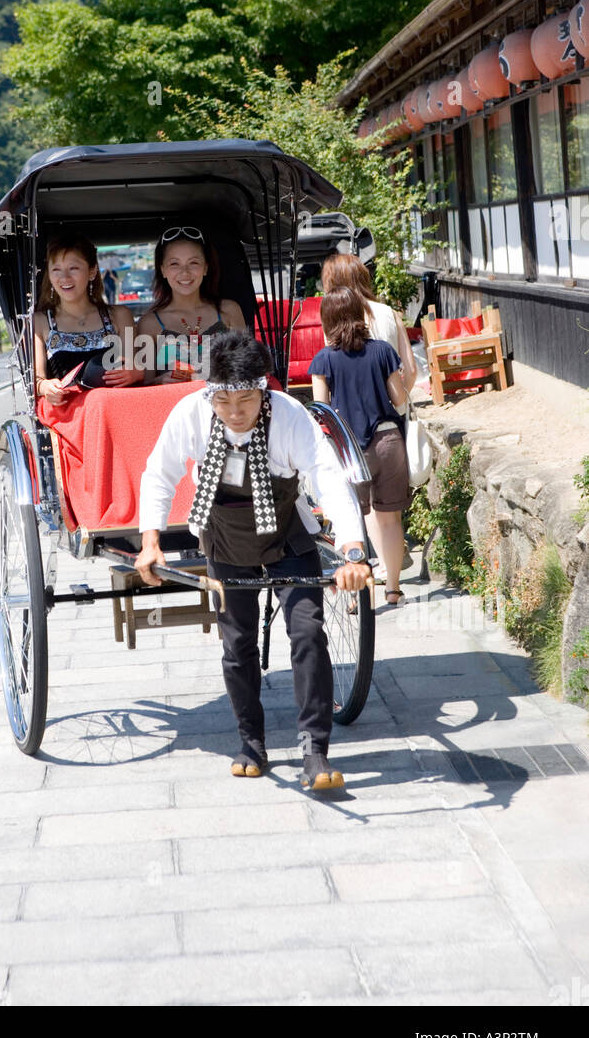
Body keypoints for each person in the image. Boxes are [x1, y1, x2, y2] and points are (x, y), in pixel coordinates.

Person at [135, 331, 370, 788]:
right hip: (224, 536)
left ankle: (314, 749)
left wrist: (353, 549)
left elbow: (325, 475)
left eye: (246, 398)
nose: (236, 411)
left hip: (287, 534)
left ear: (264, 389)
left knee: (307, 632)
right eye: (223, 401)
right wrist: (151, 541)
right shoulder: (190, 414)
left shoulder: (287, 413)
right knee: (236, 643)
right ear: (209, 394)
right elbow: (159, 473)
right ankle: (251, 741)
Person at [309, 286, 410, 607]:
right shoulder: (382, 351)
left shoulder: (323, 360)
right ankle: (393, 590)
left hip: (348, 449)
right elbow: (401, 399)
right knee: (390, 518)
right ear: (362, 315)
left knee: (350, 518)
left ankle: (356, 598)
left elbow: (320, 411)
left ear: (327, 321)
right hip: (388, 442)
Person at [33, 232, 141, 405]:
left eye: (73, 268)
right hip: (67, 417)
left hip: (113, 409)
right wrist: (46, 387)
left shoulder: (120, 316)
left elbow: (135, 368)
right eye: (56, 270)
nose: (65, 278)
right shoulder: (39, 322)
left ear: (92, 272)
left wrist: (133, 372)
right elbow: (37, 380)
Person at [134, 226, 246, 383]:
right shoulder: (149, 323)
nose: (185, 272)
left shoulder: (229, 311)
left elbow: (249, 369)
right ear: (163, 270)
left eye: (193, 263)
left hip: (225, 405)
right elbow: (143, 385)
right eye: (174, 264)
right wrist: (160, 381)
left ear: (206, 268)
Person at [320, 253, 417, 392]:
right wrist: (399, 403)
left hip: (351, 408)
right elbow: (411, 370)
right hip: (391, 408)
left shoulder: (333, 318)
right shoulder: (389, 312)